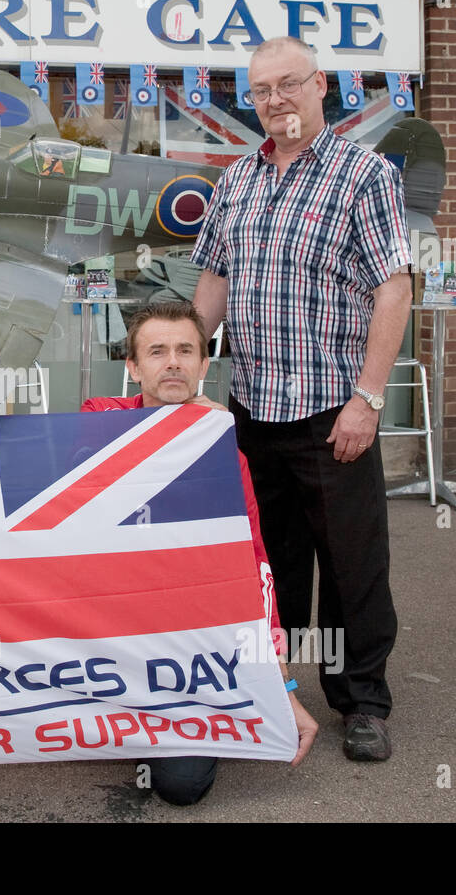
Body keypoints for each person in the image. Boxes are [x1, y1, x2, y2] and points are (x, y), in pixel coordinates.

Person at [190, 36, 413, 762]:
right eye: (261, 90)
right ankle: (276, 690)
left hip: (331, 410)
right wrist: (182, 374)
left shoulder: (364, 174)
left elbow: (393, 288)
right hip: (253, 409)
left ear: (321, 85)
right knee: (272, 562)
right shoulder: (236, 181)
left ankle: (362, 702)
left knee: (351, 564)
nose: (275, 99)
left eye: (289, 84)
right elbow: (214, 283)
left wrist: (368, 399)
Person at [82, 301, 318, 805]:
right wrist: (183, 421)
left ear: (204, 365)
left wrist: (283, 688)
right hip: (106, 638)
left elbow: (255, 565)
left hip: (187, 643)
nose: (172, 362)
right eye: (157, 351)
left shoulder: (226, 454)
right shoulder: (98, 422)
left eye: (186, 350)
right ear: (133, 367)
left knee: (181, 787)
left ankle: (173, 725)